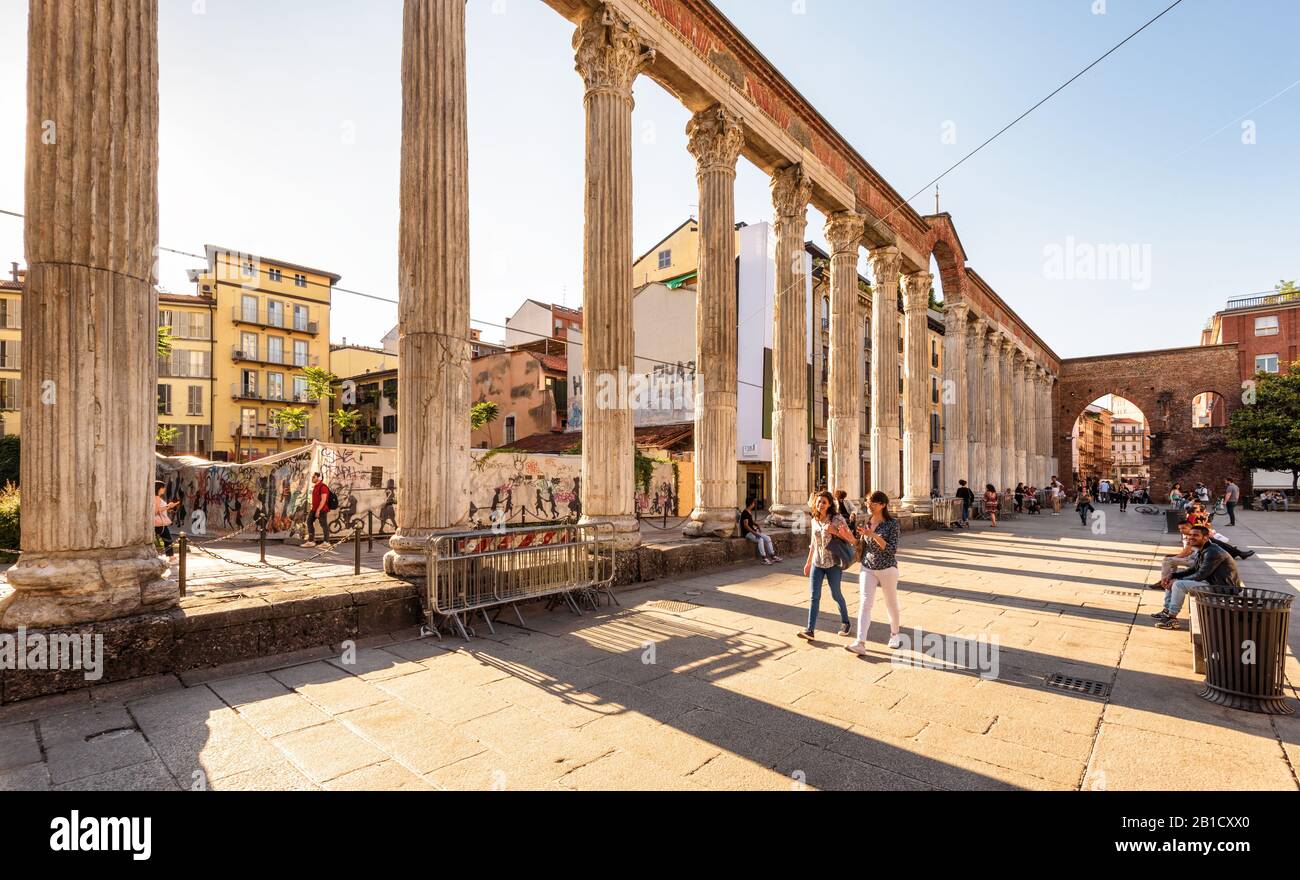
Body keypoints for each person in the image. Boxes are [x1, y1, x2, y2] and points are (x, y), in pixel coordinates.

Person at [846, 491, 904, 654]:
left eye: (873, 502)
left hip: (887, 568)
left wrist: (873, 535)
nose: (869, 505)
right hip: (867, 567)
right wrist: (850, 538)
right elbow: (863, 546)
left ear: (883, 505)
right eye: (867, 502)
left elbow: (892, 549)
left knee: (890, 602)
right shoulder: (867, 521)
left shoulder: (892, 524)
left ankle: (895, 634)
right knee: (865, 603)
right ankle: (860, 642)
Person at [1154, 525, 1242, 630]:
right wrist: (1173, 575)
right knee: (1172, 581)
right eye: (1190, 535)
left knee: (1178, 584)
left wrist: (1176, 580)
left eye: (1196, 535)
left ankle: (1172, 618)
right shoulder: (1203, 549)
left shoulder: (1212, 552)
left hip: (1223, 588)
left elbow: (1201, 575)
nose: (1191, 537)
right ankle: (1167, 611)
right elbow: (1194, 569)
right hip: (1212, 583)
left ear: (1205, 537)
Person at [799, 491, 854, 641]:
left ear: (829, 504)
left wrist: (834, 531)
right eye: (818, 501)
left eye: (824, 502)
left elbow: (851, 538)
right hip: (818, 562)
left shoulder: (837, 519)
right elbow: (813, 544)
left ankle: (846, 622)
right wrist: (808, 562)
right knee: (813, 596)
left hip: (833, 564)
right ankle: (810, 630)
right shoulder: (814, 519)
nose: (821, 504)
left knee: (836, 594)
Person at [1151, 522, 1199, 590]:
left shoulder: (1192, 537)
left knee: (1167, 561)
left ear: (1190, 527)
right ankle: (1169, 579)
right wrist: (1173, 557)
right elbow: (1187, 552)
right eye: (1180, 529)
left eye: (1184, 528)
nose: (1181, 530)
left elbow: (1185, 553)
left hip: (1196, 561)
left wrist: (1171, 558)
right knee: (1170, 559)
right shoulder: (1190, 536)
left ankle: (1163, 583)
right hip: (1192, 558)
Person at [740, 496, 781, 565]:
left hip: (753, 532)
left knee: (768, 538)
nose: (754, 504)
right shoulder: (745, 513)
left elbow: (750, 522)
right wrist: (755, 533)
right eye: (753, 503)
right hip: (747, 533)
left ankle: (772, 555)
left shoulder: (749, 512)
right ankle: (764, 558)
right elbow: (746, 525)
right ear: (751, 503)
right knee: (760, 539)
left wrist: (757, 525)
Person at [303, 472, 332, 548]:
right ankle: (311, 541)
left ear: (319, 478)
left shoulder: (323, 487)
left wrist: (318, 510)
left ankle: (326, 542)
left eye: (314, 477)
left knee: (324, 524)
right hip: (314, 509)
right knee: (309, 521)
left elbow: (323, 500)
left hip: (321, 509)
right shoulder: (316, 486)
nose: (312, 478)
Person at [153, 481, 179, 563]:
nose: (164, 489)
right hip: (159, 524)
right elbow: (155, 511)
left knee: (166, 539)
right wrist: (168, 506)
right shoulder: (156, 498)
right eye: (163, 487)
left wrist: (169, 507)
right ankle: (171, 557)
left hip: (157, 523)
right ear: (159, 488)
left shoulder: (156, 497)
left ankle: (170, 556)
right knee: (168, 540)